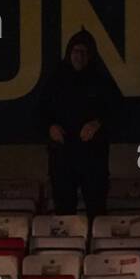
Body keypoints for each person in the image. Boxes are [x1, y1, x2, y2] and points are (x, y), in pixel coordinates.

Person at [38, 29, 122, 220]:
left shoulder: (101, 81)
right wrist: (50, 128)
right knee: (64, 211)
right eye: (76, 51)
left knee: (96, 209)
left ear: (91, 55)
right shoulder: (56, 80)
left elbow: (118, 112)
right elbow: (39, 113)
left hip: (93, 158)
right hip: (62, 156)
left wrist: (97, 124)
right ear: (69, 53)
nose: (79, 56)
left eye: (84, 52)